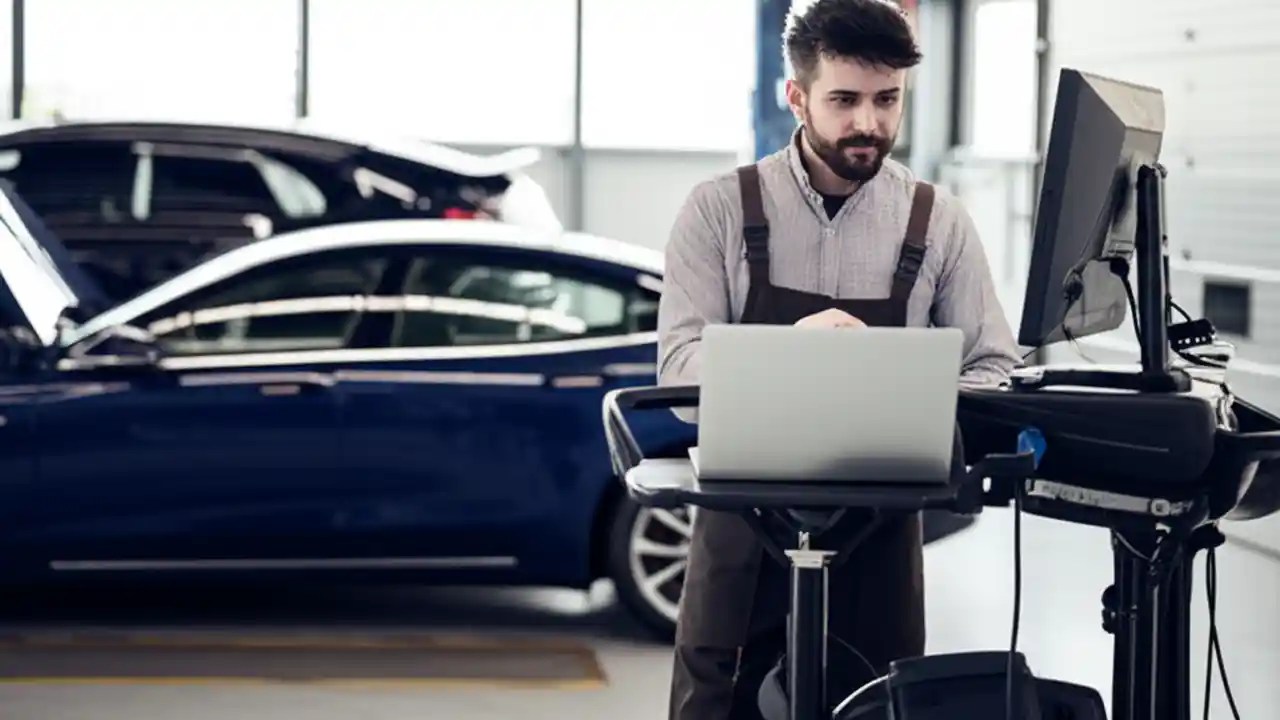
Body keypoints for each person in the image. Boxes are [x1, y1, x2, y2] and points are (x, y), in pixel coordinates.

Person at [655, 1, 1023, 718]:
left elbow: (992, 368)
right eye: (844, 100)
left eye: (887, 100)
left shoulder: (937, 220)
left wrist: (915, 389)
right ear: (796, 96)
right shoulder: (719, 210)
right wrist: (794, 354)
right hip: (742, 529)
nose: (869, 124)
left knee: (877, 705)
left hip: (881, 532)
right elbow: (678, 369)